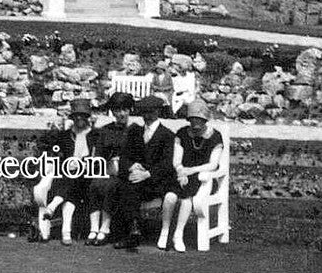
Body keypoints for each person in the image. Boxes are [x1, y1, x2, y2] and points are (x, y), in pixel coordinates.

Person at [109, 96, 177, 252]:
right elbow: (124, 156)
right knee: (124, 185)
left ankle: (134, 231)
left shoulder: (167, 135)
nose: (147, 116)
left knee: (132, 186)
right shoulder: (135, 132)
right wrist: (132, 166)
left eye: (151, 112)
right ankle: (132, 231)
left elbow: (167, 164)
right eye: (144, 113)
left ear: (158, 112)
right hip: (137, 178)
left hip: (157, 181)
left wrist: (147, 174)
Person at [30, 98, 95, 246]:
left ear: (87, 118)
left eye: (83, 116)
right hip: (68, 176)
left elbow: (98, 157)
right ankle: (66, 233)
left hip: (89, 176)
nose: (79, 119)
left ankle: (53, 206)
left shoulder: (94, 136)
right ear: (72, 118)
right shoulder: (65, 136)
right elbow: (57, 156)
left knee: (73, 180)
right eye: (76, 116)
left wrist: (85, 164)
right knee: (71, 187)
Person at [163, 100, 225, 252]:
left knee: (186, 198)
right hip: (182, 175)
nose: (195, 123)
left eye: (199, 119)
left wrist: (191, 171)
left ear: (205, 120)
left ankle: (178, 234)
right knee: (170, 196)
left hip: (203, 178)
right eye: (192, 119)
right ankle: (164, 232)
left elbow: (213, 165)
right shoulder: (182, 133)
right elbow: (177, 160)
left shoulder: (215, 136)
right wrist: (181, 171)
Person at [86, 92, 133, 246]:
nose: (122, 114)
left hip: (125, 173)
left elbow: (138, 155)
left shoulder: (134, 130)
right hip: (107, 170)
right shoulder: (105, 130)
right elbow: (98, 155)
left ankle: (105, 228)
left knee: (111, 186)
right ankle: (94, 228)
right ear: (113, 112)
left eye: (125, 110)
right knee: (95, 184)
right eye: (118, 110)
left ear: (130, 110)